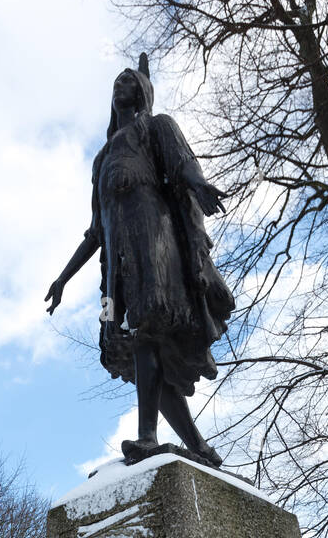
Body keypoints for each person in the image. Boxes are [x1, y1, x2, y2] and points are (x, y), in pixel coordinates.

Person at [45, 54, 234, 467]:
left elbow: (184, 164)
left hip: (155, 249)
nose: (118, 87)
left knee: (147, 332)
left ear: (142, 92)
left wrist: (200, 187)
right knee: (135, 347)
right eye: (114, 82)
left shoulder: (156, 127)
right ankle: (198, 446)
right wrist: (62, 279)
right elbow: (95, 231)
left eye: (127, 81)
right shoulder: (100, 162)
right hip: (116, 273)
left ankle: (147, 438)